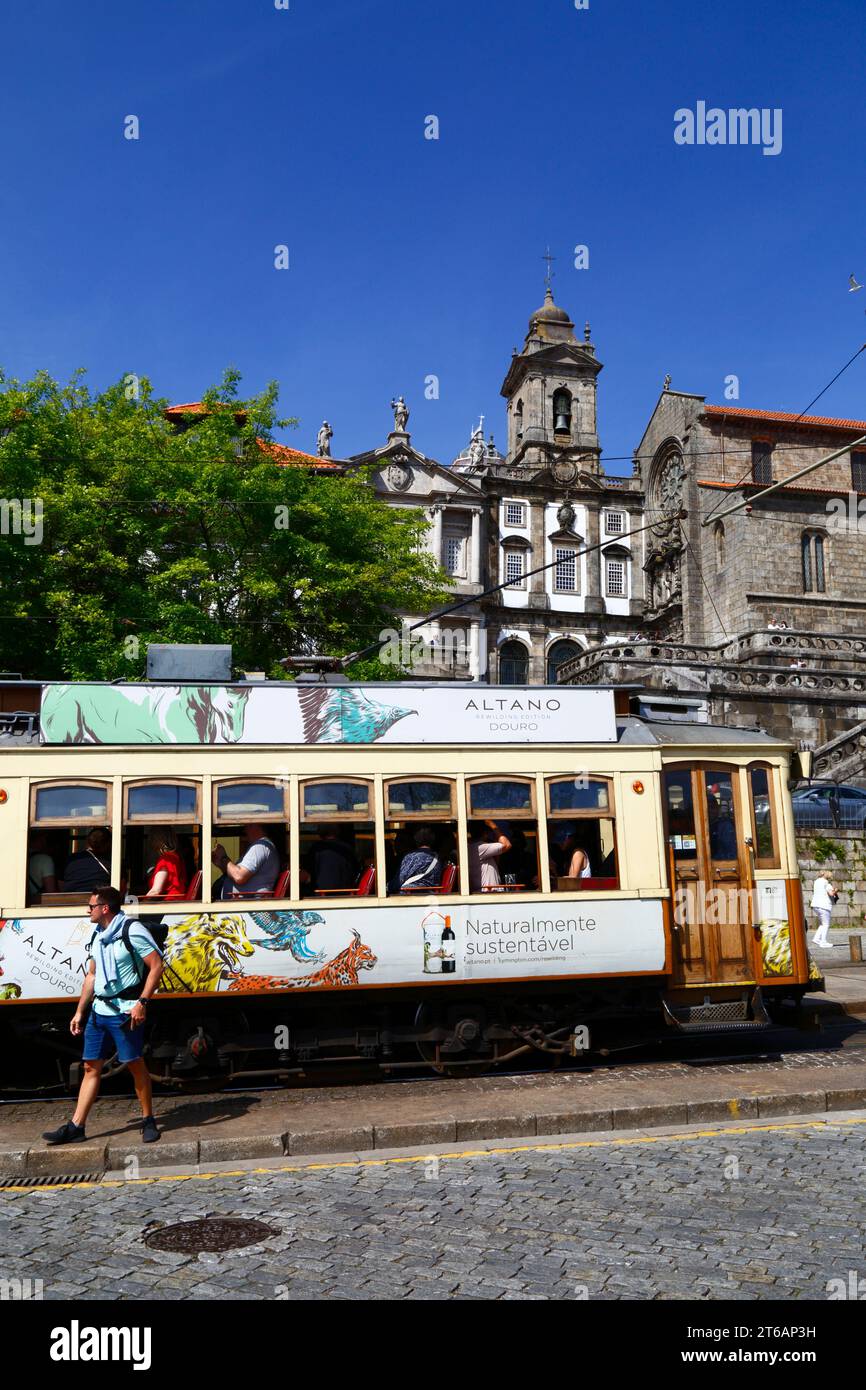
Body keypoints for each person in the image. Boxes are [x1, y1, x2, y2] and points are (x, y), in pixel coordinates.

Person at [42, 887, 164, 1146]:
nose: (88, 910)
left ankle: (148, 1119)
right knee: (90, 1066)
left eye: (92, 906)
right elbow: (92, 976)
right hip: (99, 1011)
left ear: (105, 908)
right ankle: (77, 1126)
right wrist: (79, 1011)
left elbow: (156, 966)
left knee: (134, 1064)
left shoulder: (132, 931)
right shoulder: (98, 935)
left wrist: (142, 1002)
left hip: (124, 1011)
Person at [211, 823, 279, 899]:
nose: (245, 830)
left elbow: (239, 876)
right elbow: (236, 875)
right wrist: (221, 863)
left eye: (247, 825)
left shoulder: (260, 846)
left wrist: (224, 858)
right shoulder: (259, 846)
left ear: (255, 825)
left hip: (247, 905)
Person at [390, 826, 442, 893]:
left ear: (415, 839)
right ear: (433, 838)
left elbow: (399, 880)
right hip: (431, 894)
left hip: (411, 895)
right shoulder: (437, 857)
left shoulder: (411, 857)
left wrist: (387, 886)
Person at [61, 829, 111, 894]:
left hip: (71, 900)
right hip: (99, 899)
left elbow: (61, 884)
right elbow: (121, 886)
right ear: (108, 844)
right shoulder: (111, 861)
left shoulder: (71, 859)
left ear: (87, 841)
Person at [309, 825, 357, 892]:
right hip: (345, 892)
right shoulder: (347, 848)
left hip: (320, 893)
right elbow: (355, 870)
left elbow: (308, 872)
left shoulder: (316, 849)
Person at [143, 828, 188, 899]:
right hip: (177, 902)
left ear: (158, 840)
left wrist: (143, 903)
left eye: (152, 837)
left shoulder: (166, 859)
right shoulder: (176, 857)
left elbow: (156, 890)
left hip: (168, 903)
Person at [467, 820, 511, 891]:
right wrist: (493, 825)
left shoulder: (470, 848)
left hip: (482, 892)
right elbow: (507, 845)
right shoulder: (480, 847)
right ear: (485, 833)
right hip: (489, 892)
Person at [810, 871, 838, 949]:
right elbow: (831, 894)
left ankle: (816, 938)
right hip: (824, 905)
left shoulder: (816, 882)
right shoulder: (827, 883)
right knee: (826, 924)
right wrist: (835, 890)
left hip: (815, 905)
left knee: (823, 923)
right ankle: (823, 942)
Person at [27, 831, 57, 900]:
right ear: (41, 840)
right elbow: (51, 893)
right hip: (38, 903)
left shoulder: (19, 857)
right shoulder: (45, 860)